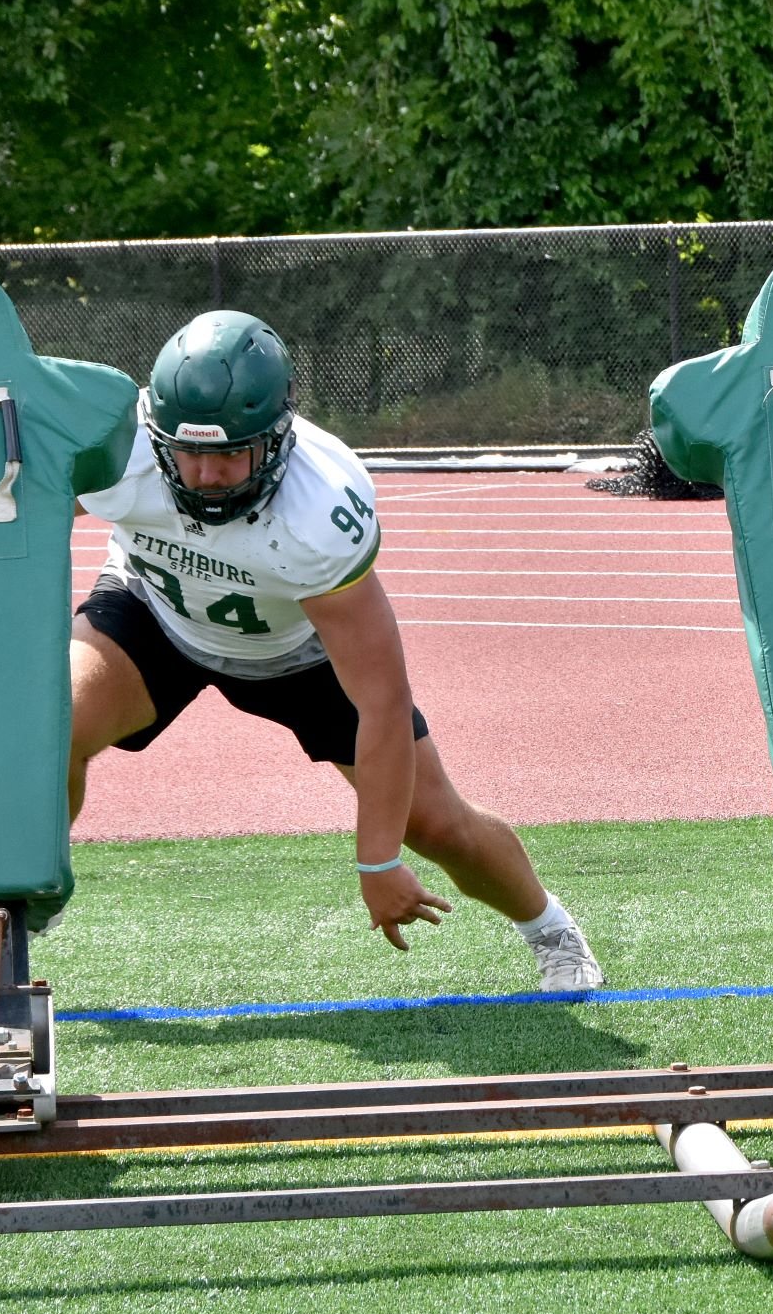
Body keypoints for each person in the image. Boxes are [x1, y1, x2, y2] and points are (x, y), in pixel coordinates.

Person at [69, 310, 604, 989]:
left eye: (230, 454)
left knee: (437, 825)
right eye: (188, 453)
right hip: (155, 611)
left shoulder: (319, 507)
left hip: (296, 651)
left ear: (277, 438)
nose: (205, 474)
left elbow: (383, 700)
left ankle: (549, 927)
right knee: (50, 732)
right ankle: (29, 892)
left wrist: (378, 861)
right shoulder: (115, 447)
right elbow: (13, 518)